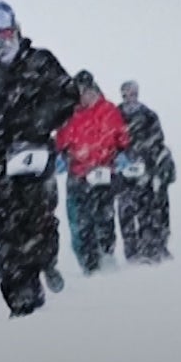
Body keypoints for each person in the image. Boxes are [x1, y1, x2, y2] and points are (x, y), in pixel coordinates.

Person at [0, 0, 78, 318]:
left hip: (36, 152)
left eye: (3, 29)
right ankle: (22, 299)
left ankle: (45, 260)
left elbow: (68, 93)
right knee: (9, 229)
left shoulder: (40, 61)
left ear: (16, 28)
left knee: (40, 218)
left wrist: (42, 119)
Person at [56, 71, 130, 274]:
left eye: (87, 92)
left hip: (104, 174)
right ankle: (88, 263)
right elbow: (60, 142)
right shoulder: (69, 114)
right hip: (78, 175)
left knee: (104, 217)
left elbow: (122, 138)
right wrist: (60, 157)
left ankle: (106, 254)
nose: (84, 97)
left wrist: (121, 156)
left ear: (95, 90)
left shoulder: (109, 111)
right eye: (79, 93)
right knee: (81, 222)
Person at [115, 80, 170, 263]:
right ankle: (131, 253)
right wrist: (119, 157)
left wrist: (146, 158)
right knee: (125, 212)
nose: (129, 97)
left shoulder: (149, 115)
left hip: (144, 171)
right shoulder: (115, 115)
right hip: (123, 173)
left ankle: (150, 249)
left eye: (133, 93)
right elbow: (109, 139)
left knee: (147, 211)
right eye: (126, 94)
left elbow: (158, 140)